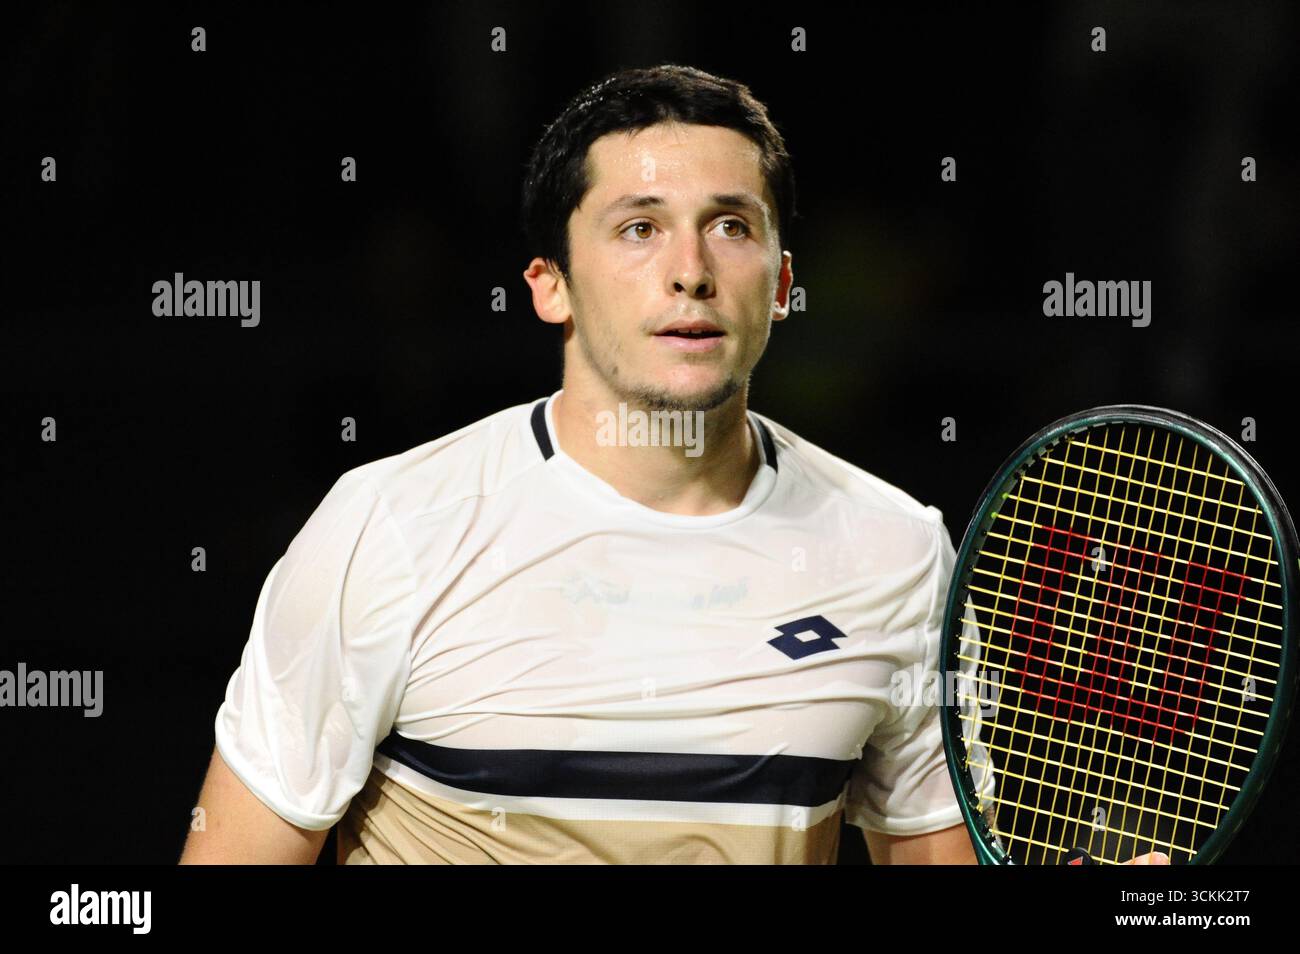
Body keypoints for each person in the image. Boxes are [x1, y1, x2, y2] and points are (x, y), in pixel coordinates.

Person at [180, 63, 1165, 865]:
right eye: (638, 227)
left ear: (780, 285)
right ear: (550, 287)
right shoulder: (388, 525)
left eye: (731, 226)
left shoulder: (897, 551)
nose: (689, 267)